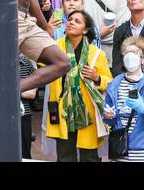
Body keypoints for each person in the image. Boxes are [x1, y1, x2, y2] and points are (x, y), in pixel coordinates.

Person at [45, 9, 113, 162]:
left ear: (86, 29)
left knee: (89, 157)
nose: (71, 23)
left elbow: (110, 82)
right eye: (70, 20)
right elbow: (41, 65)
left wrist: (97, 78)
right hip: (62, 110)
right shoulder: (54, 48)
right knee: (64, 157)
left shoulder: (96, 53)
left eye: (77, 21)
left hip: (87, 112)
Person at [103, 36, 144, 162]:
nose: (130, 56)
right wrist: (109, 116)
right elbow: (108, 120)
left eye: (134, 52)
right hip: (120, 150)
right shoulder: (114, 84)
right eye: (127, 53)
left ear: (142, 60)